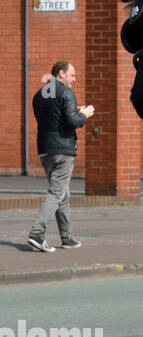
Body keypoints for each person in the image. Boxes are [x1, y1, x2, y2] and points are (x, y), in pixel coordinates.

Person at [28, 61, 94, 252]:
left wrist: (74, 111)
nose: (75, 79)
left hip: (44, 149)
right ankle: (37, 234)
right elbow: (72, 121)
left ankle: (67, 238)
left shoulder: (39, 95)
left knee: (62, 194)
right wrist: (84, 115)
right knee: (56, 193)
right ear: (61, 73)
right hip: (63, 151)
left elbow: (48, 119)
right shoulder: (66, 93)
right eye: (72, 75)